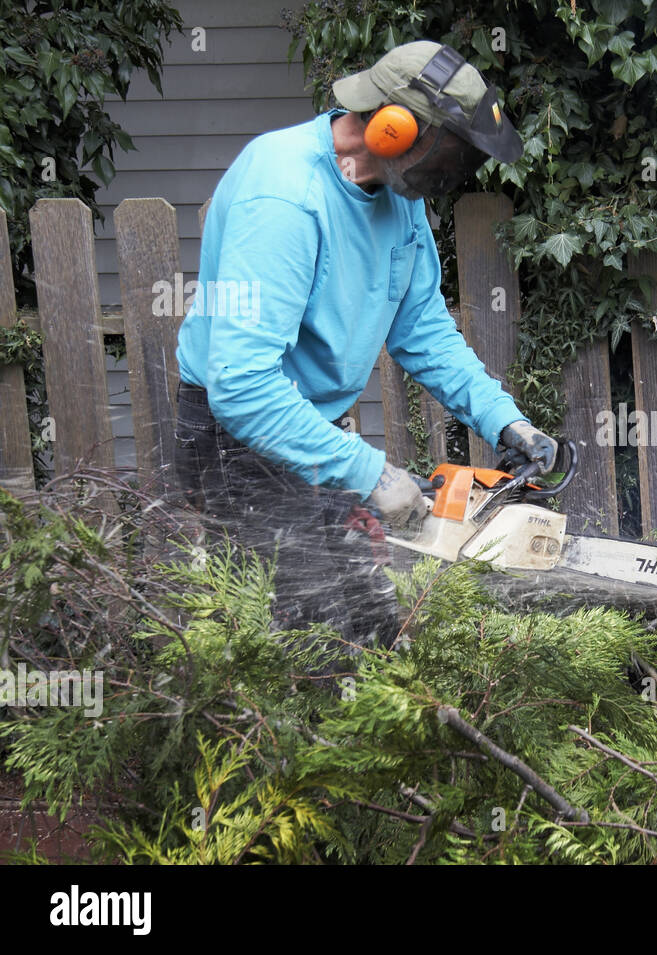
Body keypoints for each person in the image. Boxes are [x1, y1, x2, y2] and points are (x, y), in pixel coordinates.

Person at [172, 40, 557, 655]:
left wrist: (505, 421)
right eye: (453, 150)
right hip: (236, 438)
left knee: (371, 623)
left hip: (309, 428)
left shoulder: (398, 201)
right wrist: (371, 472)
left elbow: (423, 328)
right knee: (290, 649)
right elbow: (240, 385)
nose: (456, 171)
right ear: (393, 127)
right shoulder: (283, 197)